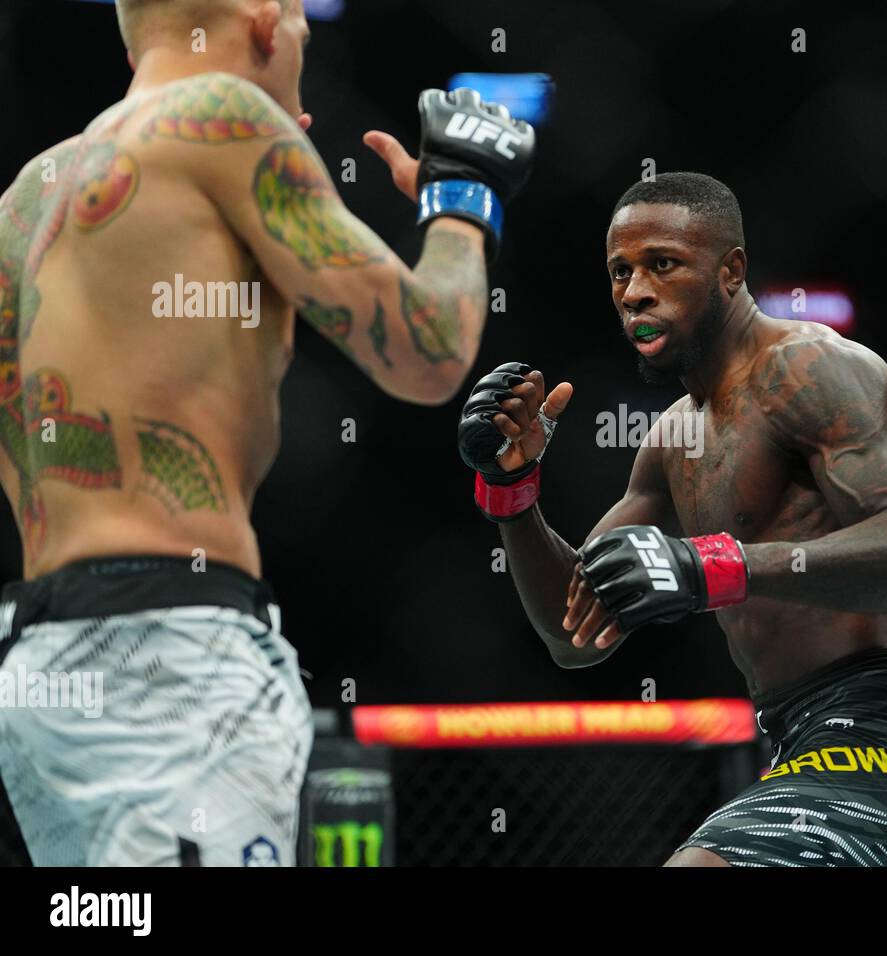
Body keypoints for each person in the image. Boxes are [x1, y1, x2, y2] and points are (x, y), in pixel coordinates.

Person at [0, 0, 534, 865]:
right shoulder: (227, 118)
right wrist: (465, 201)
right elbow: (429, 351)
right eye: (303, 41)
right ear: (263, 19)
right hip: (170, 654)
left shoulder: (32, 196)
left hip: (46, 658)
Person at [457, 172, 887, 866]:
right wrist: (513, 492)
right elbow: (575, 634)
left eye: (661, 263)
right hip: (795, 737)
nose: (634, 291)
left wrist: (713, 566)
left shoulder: (810, 368)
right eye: (619, 271)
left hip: (886, 732)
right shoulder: (673, 439)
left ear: (731, 270)